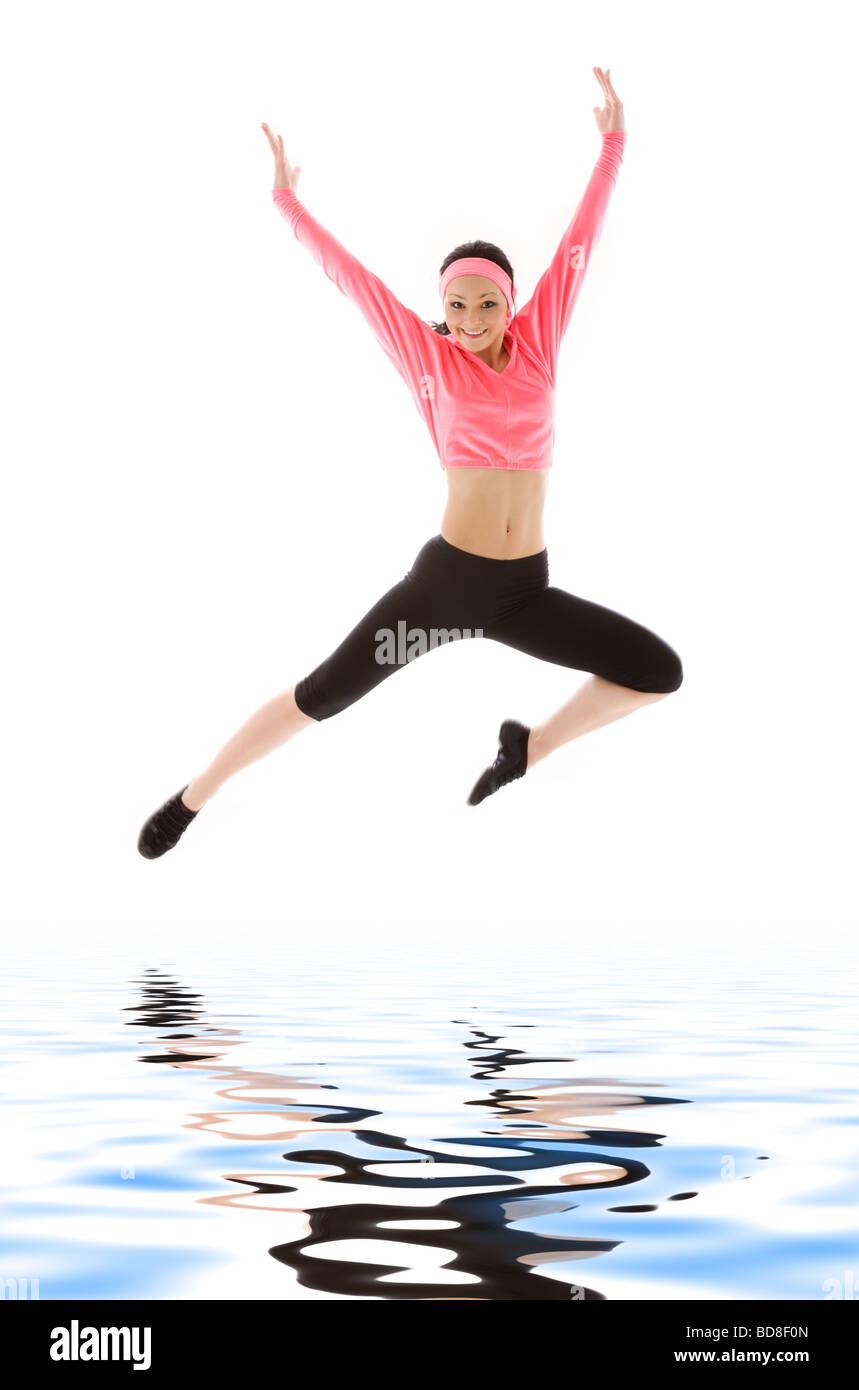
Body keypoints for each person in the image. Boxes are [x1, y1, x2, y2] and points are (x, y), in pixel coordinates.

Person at [138, 67, 682, 860]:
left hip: (523, 593)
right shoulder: (428, 358)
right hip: (445, 593)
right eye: (456, 305)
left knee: (654, 672)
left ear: (510, 302)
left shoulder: (539, 345)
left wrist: (613, 147)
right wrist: (288, 203)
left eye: (486, 303)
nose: (469, 319)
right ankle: (194, 796)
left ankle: (527, 749)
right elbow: (354, 283)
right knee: (322, 694)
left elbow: (579, 245)